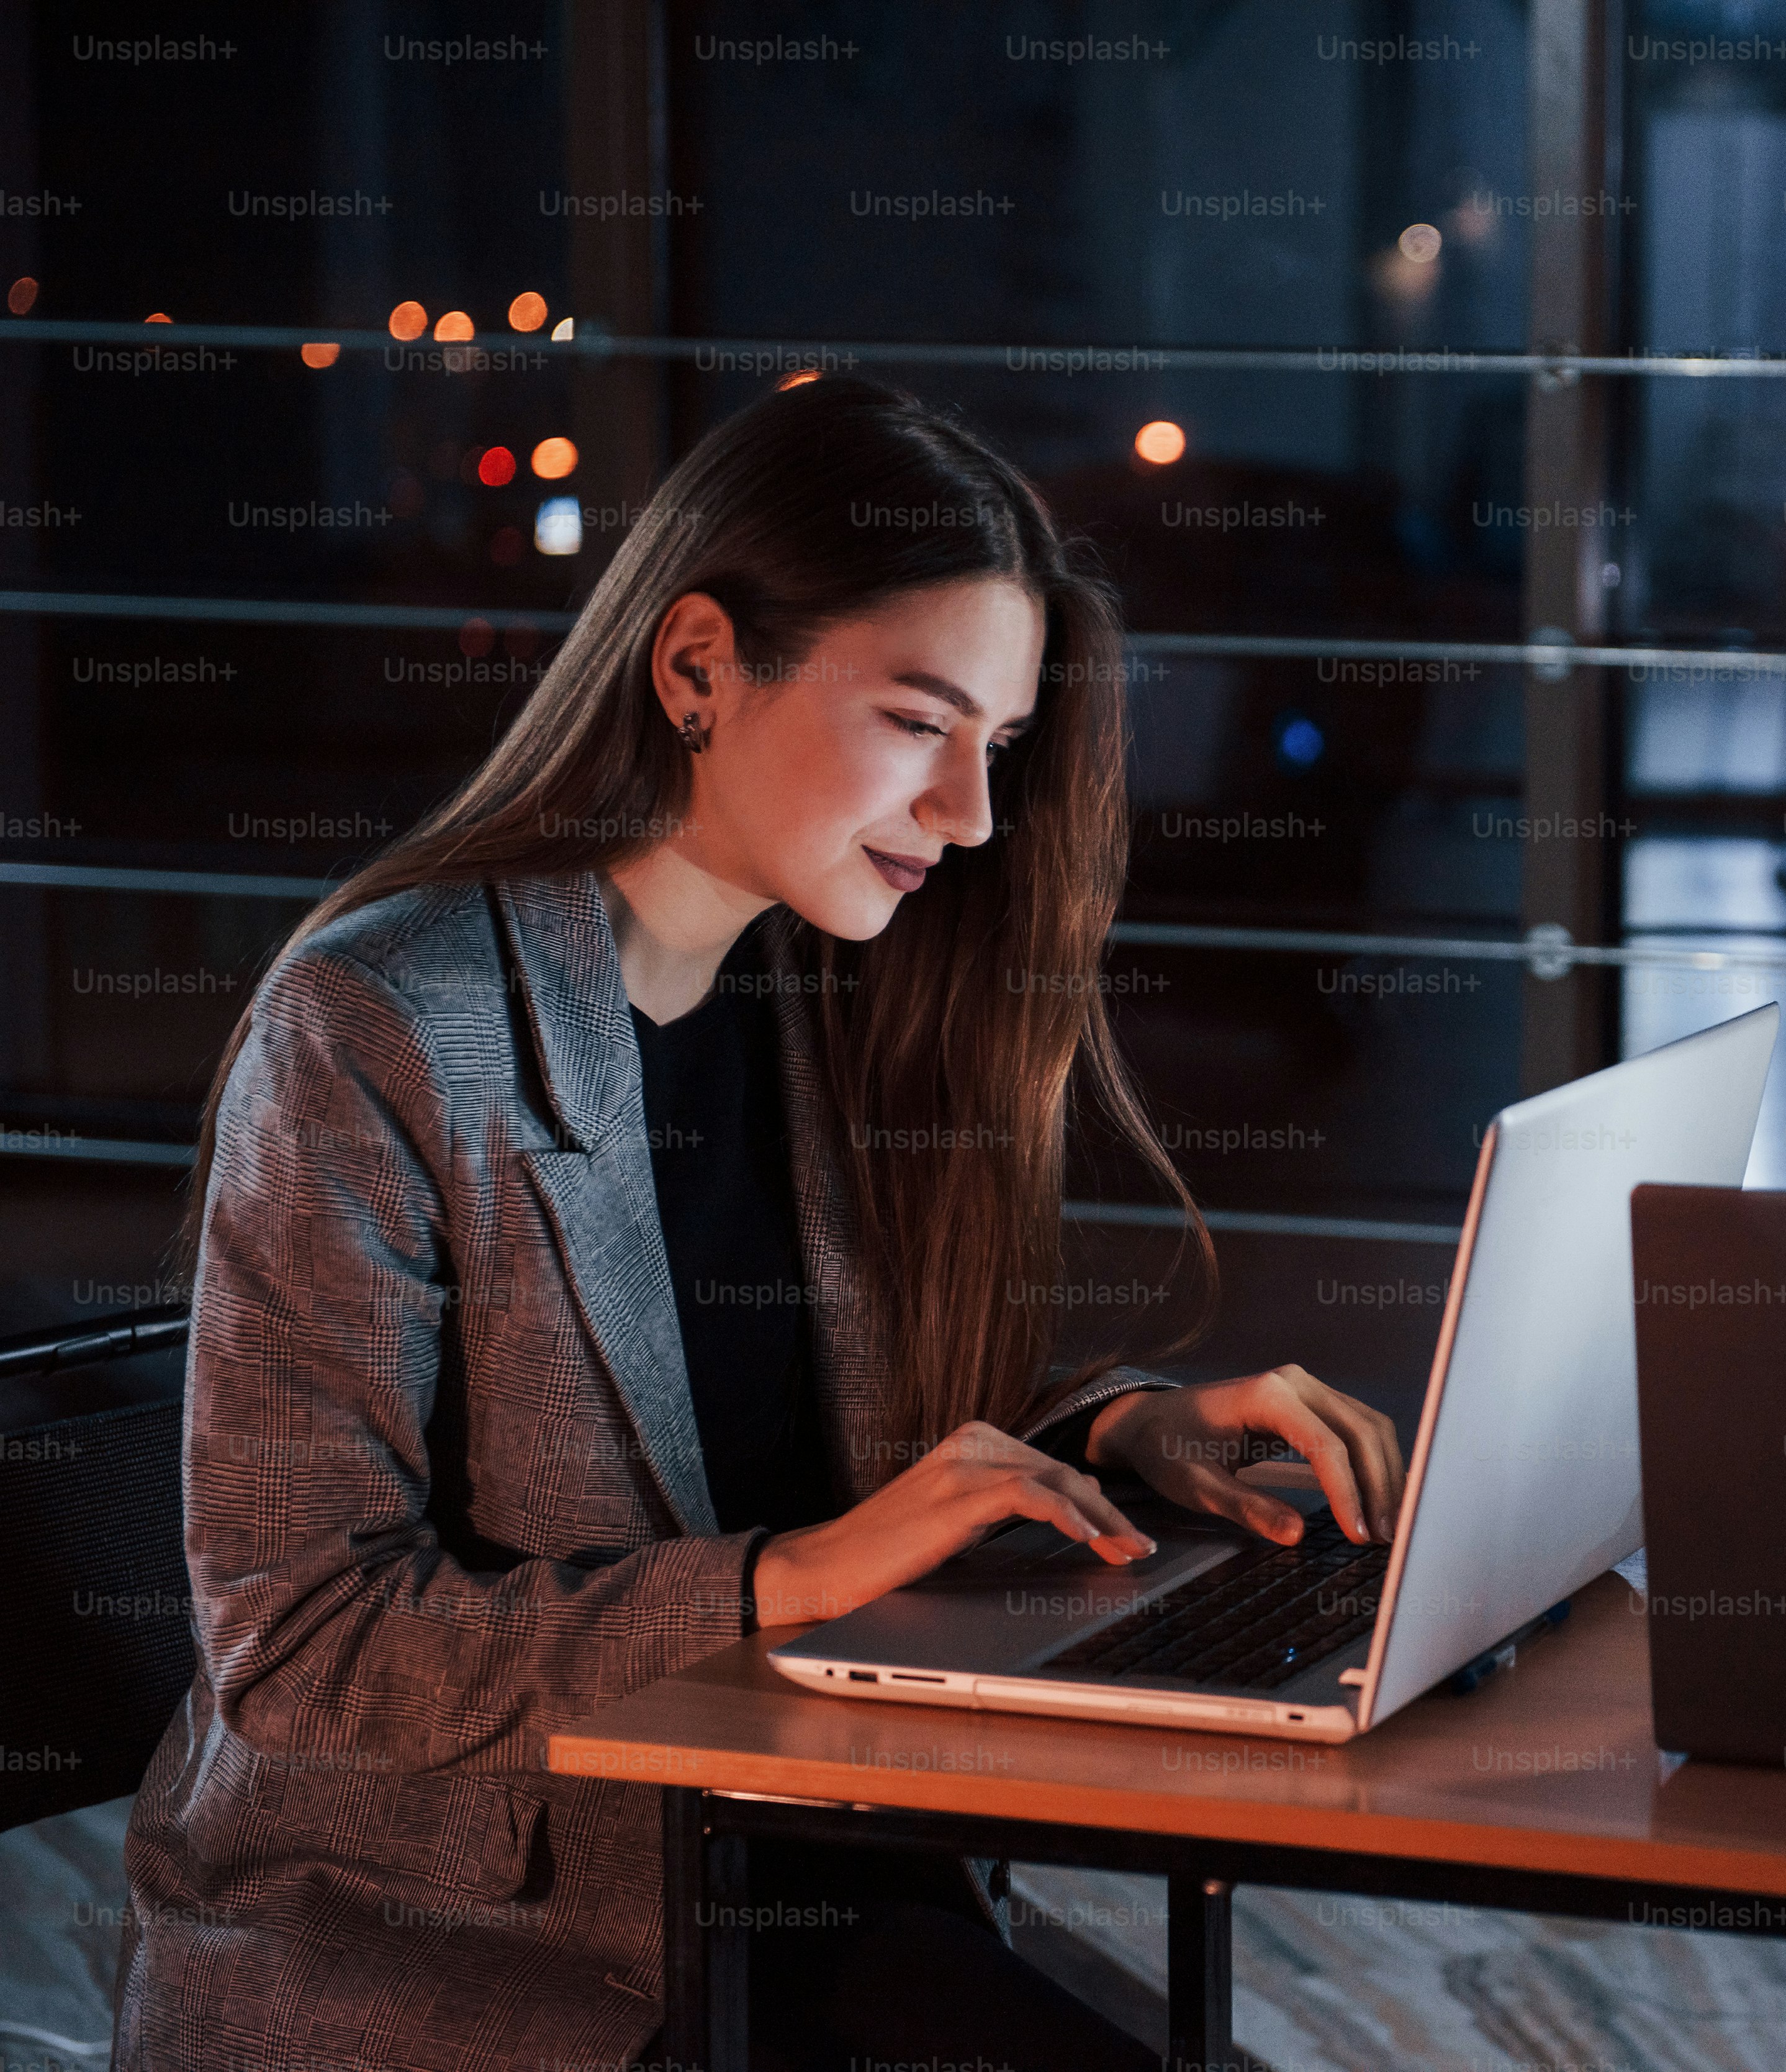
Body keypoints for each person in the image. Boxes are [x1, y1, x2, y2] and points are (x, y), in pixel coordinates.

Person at [114, 378, 1406, 2072]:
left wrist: (1111, 1432)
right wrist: (785, 1580)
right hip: (482, 1961)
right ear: (699, 668)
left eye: (1000, 747)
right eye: (919, 722)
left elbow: (800, 1443)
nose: (972, 815)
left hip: (801, 1865)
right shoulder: (378, 1026)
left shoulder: (817, 998)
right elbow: (304, 1653)